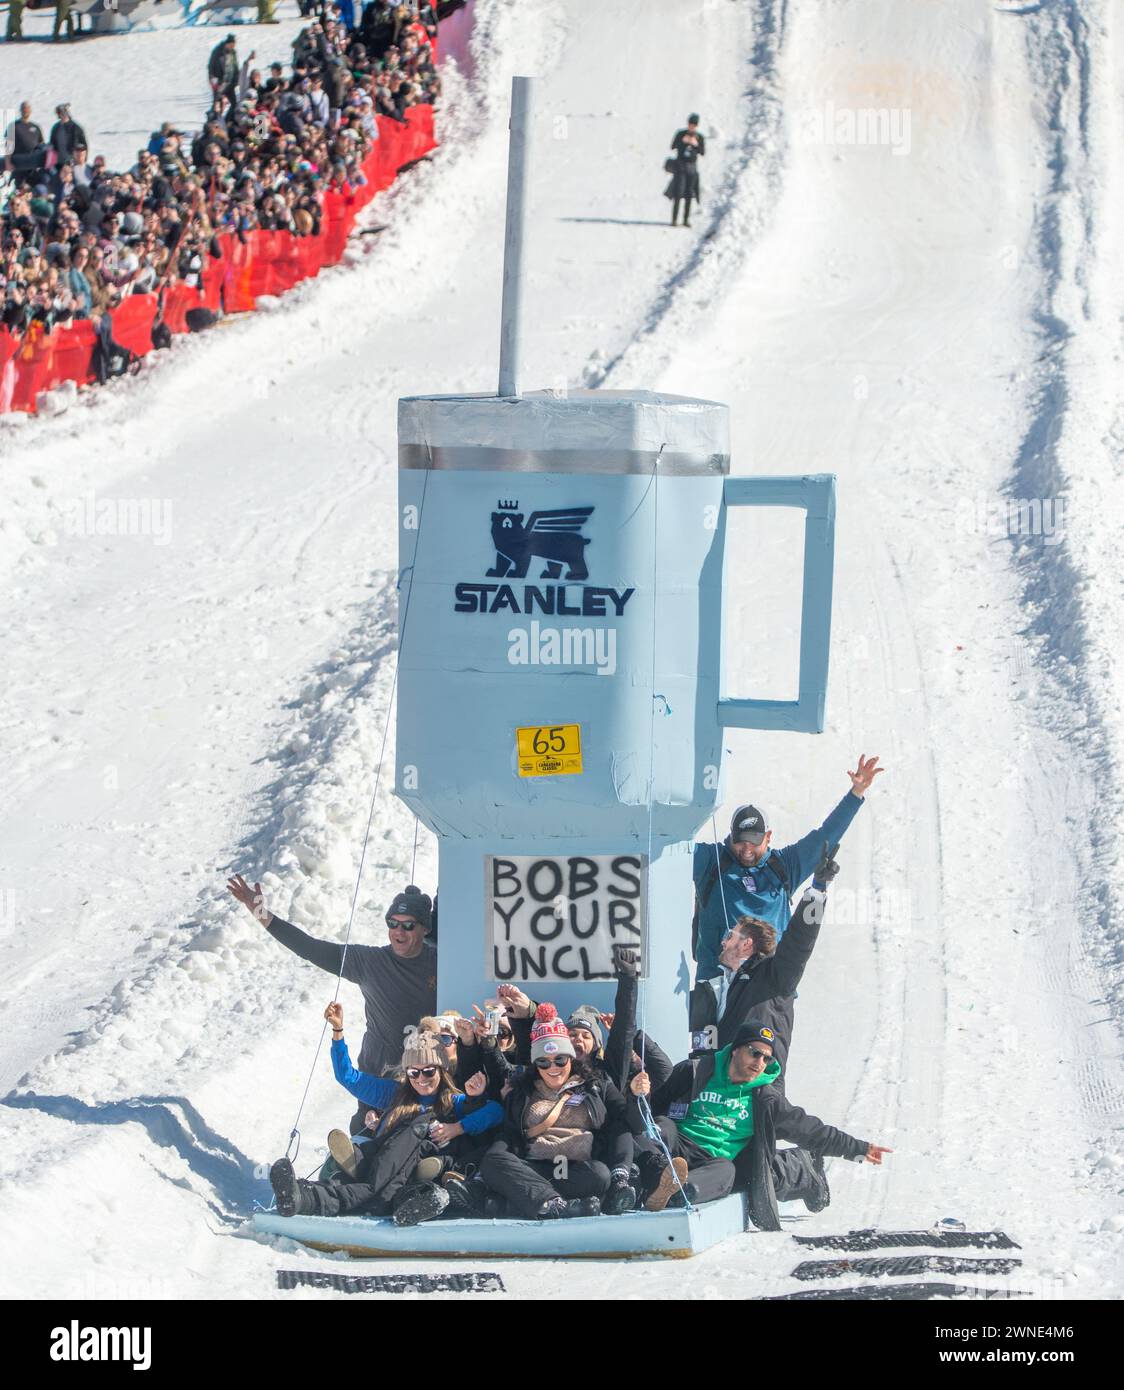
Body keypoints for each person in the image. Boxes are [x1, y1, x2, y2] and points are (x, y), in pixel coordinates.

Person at [630, 1022, 891, 1227]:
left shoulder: (765, 1098)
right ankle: (655, 1175)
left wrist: (858, 1149)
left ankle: (678, 1192)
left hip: (714, 1160)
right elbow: (652, 1107)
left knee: (727, 1171)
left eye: (767, 1059)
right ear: (736, 1049)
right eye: (754, 1053)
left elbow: (810, 1130)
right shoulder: (695, 1071)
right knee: (663, 1124)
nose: (760, 1063)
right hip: (678, 1149)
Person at [227, 875, 436, 1129]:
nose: (398, 932)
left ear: (425, 929)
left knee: (415, 1131)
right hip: (379, 1072)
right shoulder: (368, 962)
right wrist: (259, 911)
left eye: (408, 925)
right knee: (367, 1130)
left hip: (426, 1073)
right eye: (393, 923)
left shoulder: (441, 961)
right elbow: (308, 947)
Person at [268, 1004, 502, 1226]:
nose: (421, 1079)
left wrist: (458, 1127)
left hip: (414, 1167)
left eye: (429, 1071)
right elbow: (347, 1077)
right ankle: (301, 1194)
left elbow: (495, 1111)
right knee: (358, 1181)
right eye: (414, 1073)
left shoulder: (452, 1101)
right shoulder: (394, 1093)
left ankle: (309, 1196)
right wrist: (338, 1032)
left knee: (378, 1181)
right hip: (386, 1163)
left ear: (441, 1070)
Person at [692, 754, 883, 980]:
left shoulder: (783, 866)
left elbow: (825, 836)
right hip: (716, 985)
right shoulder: (711, 860)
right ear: (731, 836)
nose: (747, 849)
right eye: (741, 841)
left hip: (767, 987)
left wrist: (856, 792)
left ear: (768, 837)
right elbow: (673, 848)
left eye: (754, 841)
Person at [690, 845, 840, 1089]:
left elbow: (800, 941)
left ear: (747, 944)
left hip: (759, 1091)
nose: (723, 942)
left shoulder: (773, 979)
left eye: (730, 936)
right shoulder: (712, 989)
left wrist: (817, 892)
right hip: (716, 1094)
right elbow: (701, 1048)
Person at [479, 1004, 637, 1219]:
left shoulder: (596, 1084)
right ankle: (555, 1204)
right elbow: (509, 1133)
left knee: (600, 1175)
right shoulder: (523, 1089)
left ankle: (516, 1203)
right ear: (536, 1064)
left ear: (570, 1058)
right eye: (543, 1062)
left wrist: (637, 1095)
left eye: (560, 1059)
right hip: (534, 1168)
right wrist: (488, 1041)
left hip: (577, 1170)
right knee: (492, 1162)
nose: (553, 1067)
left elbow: (629, 1122)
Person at [665, 113, 704, 227]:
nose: (692, 126)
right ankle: (674, 220)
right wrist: (682, 142)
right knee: (678, 193)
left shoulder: (699, 137)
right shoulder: (681, 133)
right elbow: (672, 146)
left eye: (694, 125)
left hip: (691, 168)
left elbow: (702, 152)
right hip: (680, 167)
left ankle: (686, 220)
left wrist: (695, 145)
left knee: (689, 194)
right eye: (690, 124)